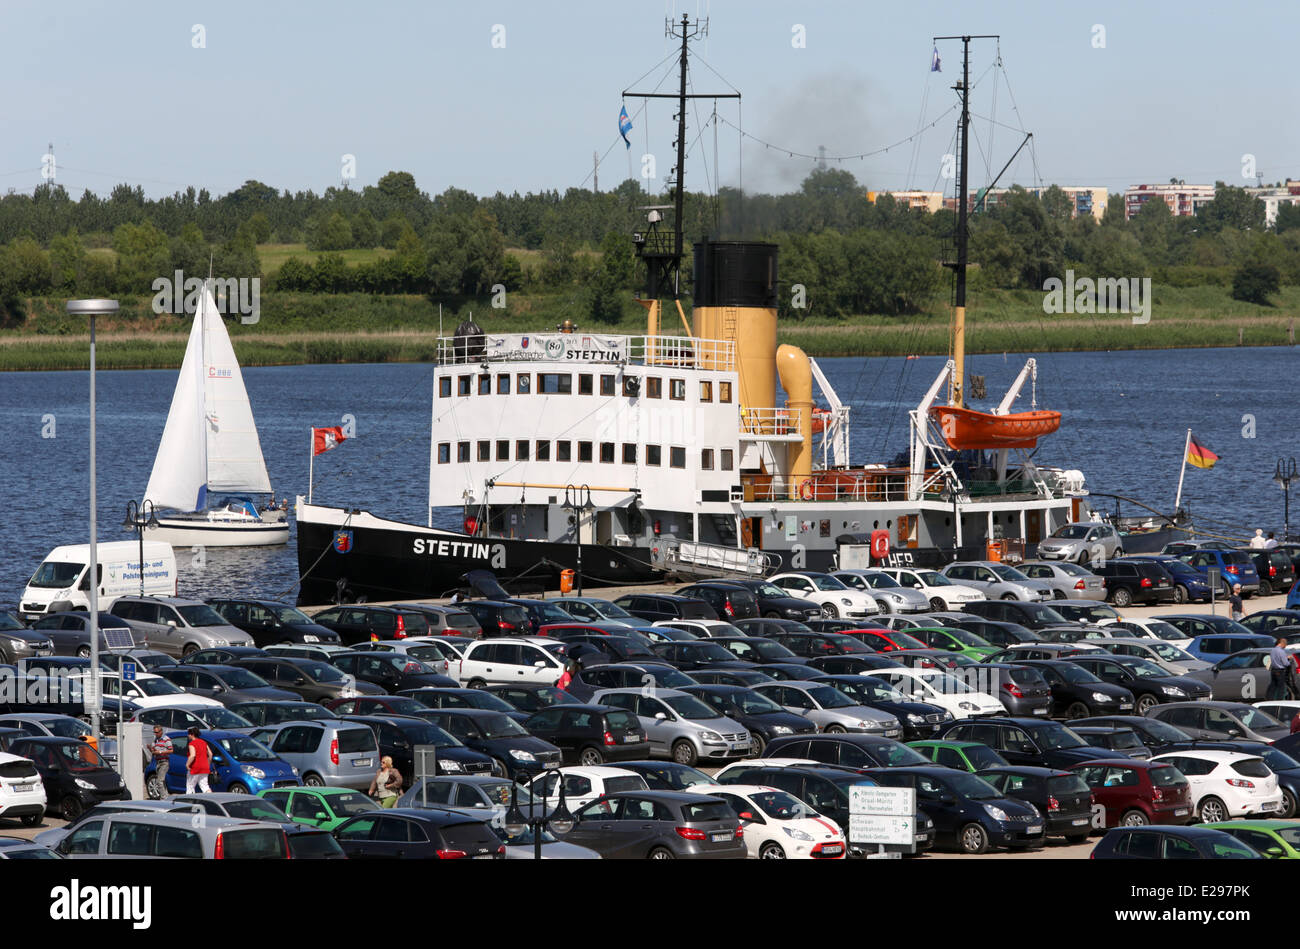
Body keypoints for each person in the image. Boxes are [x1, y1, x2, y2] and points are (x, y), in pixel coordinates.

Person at [185, 726, 211, 793]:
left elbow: (192, 755)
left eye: (189, 734)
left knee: (190, 786)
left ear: (192, 734)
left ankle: (190, 801)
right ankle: (211, 798)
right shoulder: (204, 742)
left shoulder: (192, 744)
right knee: (205, 786)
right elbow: (210, 754)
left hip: (195, 768)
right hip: (205, 767)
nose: (188, 736)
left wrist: (187, 765)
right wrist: (208, 764)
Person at [150, 726, 173, 797]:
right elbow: (153, 751)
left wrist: (160, 752)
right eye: (154, 732)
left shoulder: (166, 739)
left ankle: (163, 798)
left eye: (157, 732)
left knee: (159, 781)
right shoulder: (155, 740)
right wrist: (151, 749)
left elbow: (171, 750)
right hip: (158, 762)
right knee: (162, 781)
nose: (155, 734)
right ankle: (166, 796)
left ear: (161, 732)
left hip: (164, 762)